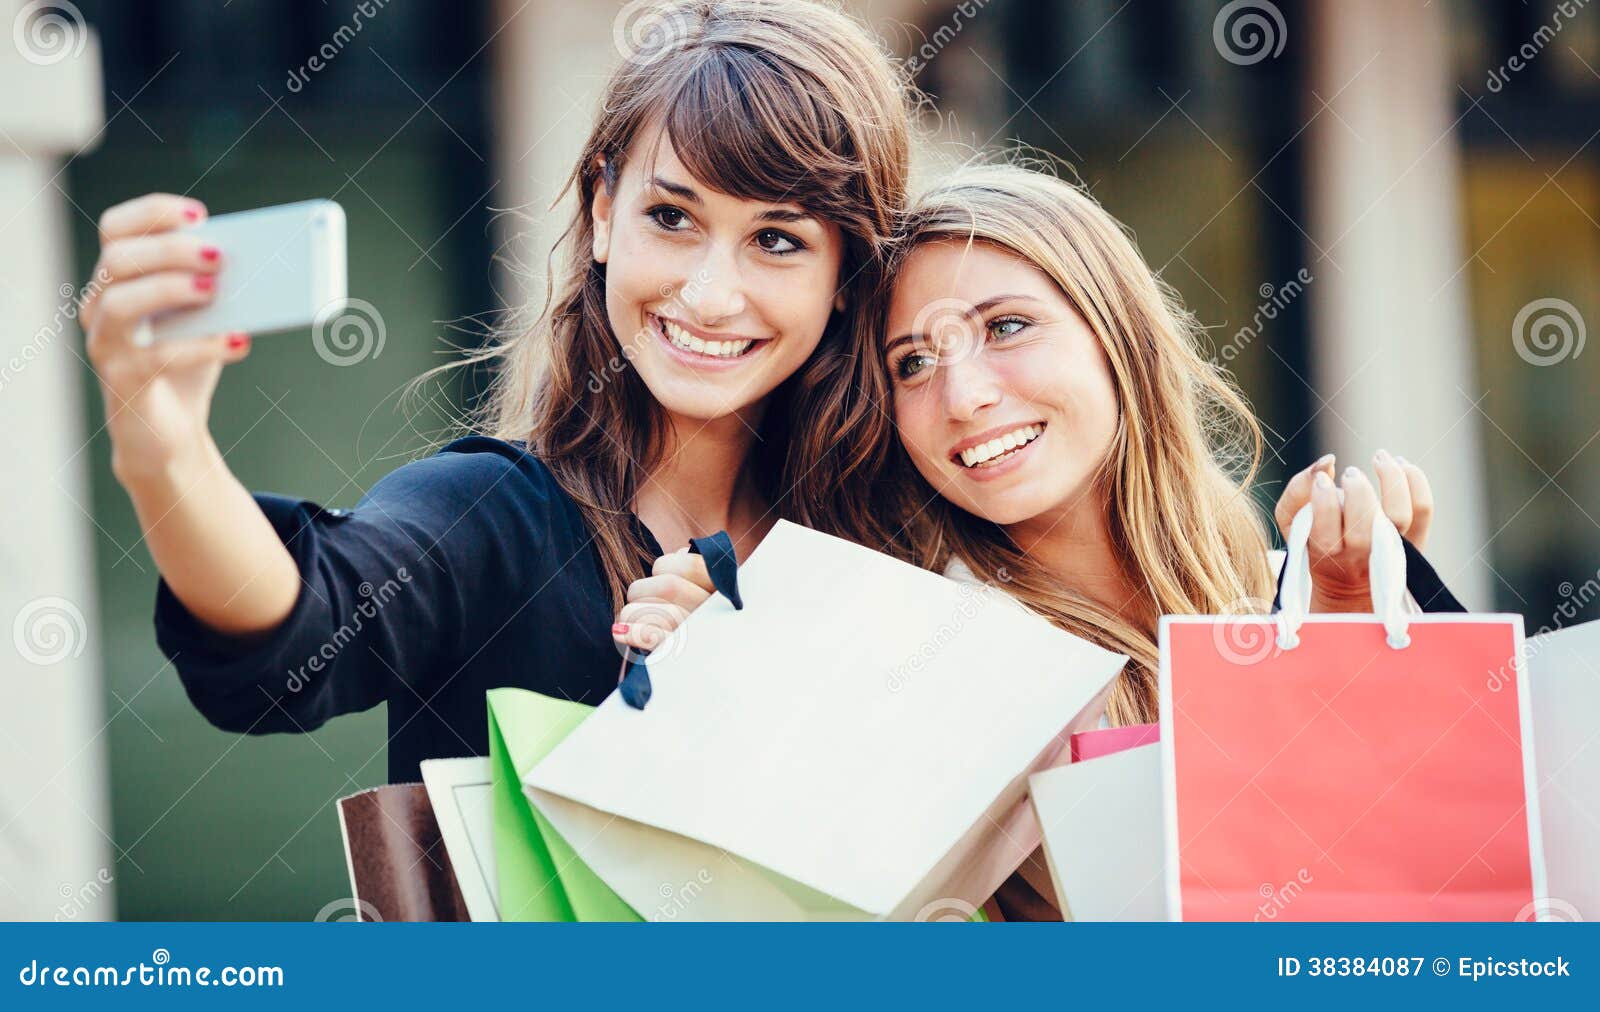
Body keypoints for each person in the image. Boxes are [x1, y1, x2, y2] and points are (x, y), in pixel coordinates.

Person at [81, 0, 913, 782]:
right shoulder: (492, 517)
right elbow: (301, 625)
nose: (708, 293)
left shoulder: (892, 541)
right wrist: (163, 448)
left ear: (846, 273)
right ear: (601, 210)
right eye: (671, 217)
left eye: (776, 239)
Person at [614, 163, 1438, 920]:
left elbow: (1416, 889)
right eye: (913, 364)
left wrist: (1350, 623)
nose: (966, 397)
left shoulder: (1286, 589)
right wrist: (739, 689)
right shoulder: (916, 658)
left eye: (1006, 328)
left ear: (1116, 334)